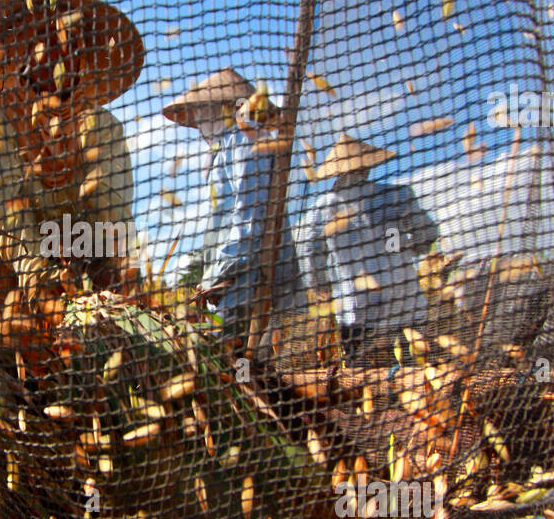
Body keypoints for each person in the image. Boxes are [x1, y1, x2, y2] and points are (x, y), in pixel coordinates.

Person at [0, 0, 143, 351]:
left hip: (84, 275)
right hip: (0, 285)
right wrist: (41, 284)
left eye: (61, 49)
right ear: (13, 61)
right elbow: (7, 219)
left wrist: (120, 287)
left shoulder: (103, 128)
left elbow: (114, 223)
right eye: (34, 51)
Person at [162, 69, 304, 352]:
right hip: (232, 277)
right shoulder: (225, 147)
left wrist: (224, 273)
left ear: (222, 109)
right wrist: (208, 275)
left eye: (203, 111)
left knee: (223, 359)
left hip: (248, 278)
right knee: (220, 358)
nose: (201, 121)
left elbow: (251, 211)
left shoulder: (244, 141)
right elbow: (220, 222)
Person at [298, 133, 439, 365]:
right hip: (406, 305)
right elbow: (429, 234)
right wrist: (404, 251)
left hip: (356, 311)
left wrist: (321, 285)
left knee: (361, 382)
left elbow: (310, 253)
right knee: (415, 377)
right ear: (368, 167)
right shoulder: (398, 195)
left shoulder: (322, 209)